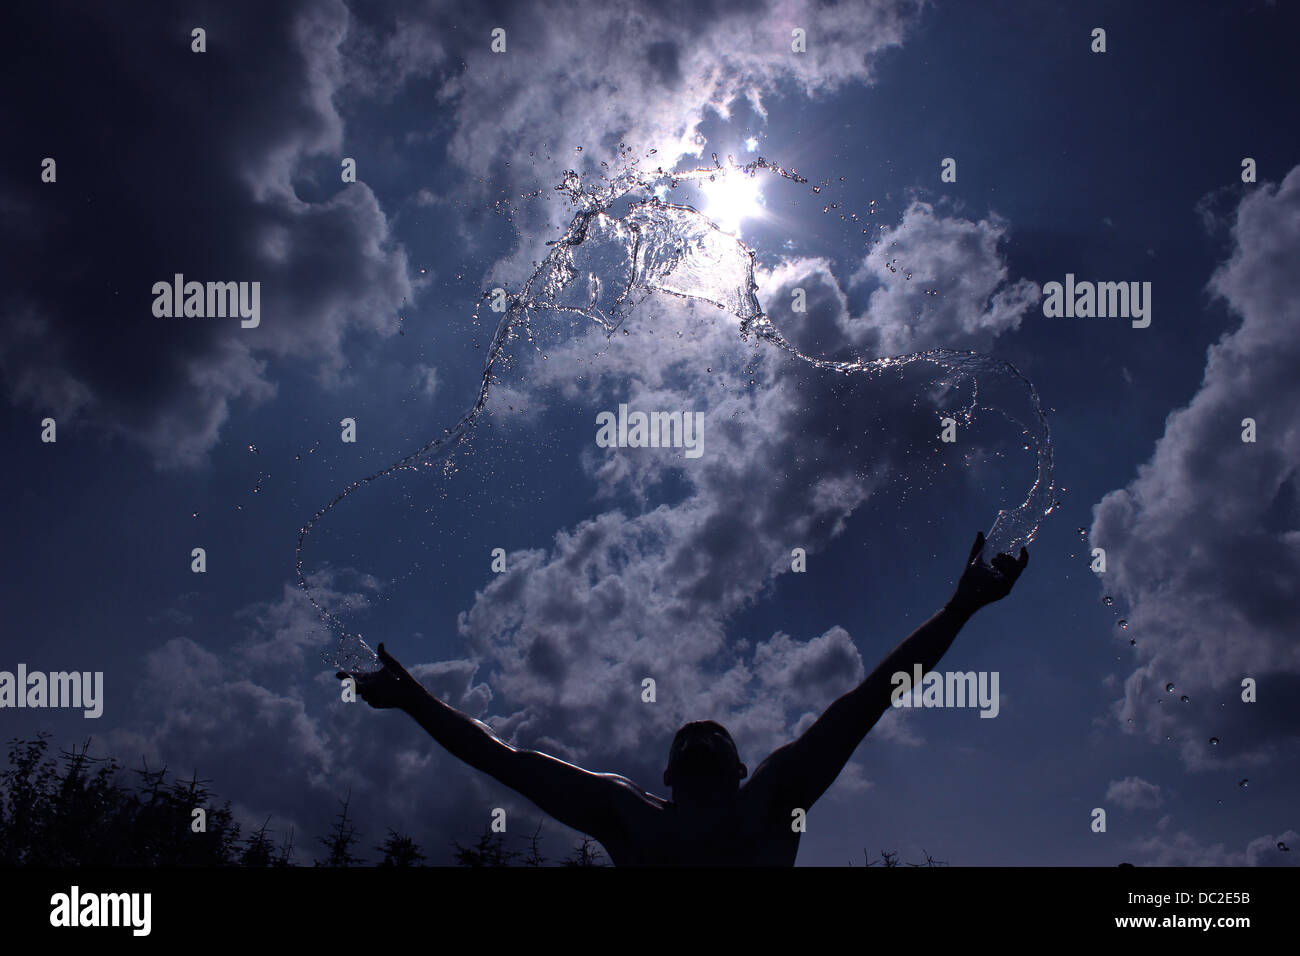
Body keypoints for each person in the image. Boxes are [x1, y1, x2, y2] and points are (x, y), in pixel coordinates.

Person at [340, 531, 1028, 865]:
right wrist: (415, 700)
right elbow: (502, 758)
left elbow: (874, 696)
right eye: (688, 736)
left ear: (738, 767)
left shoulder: (776, 792)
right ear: (666, 775)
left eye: (716, 734)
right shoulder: (625, 811)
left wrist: (962, 606)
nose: (701, 733)